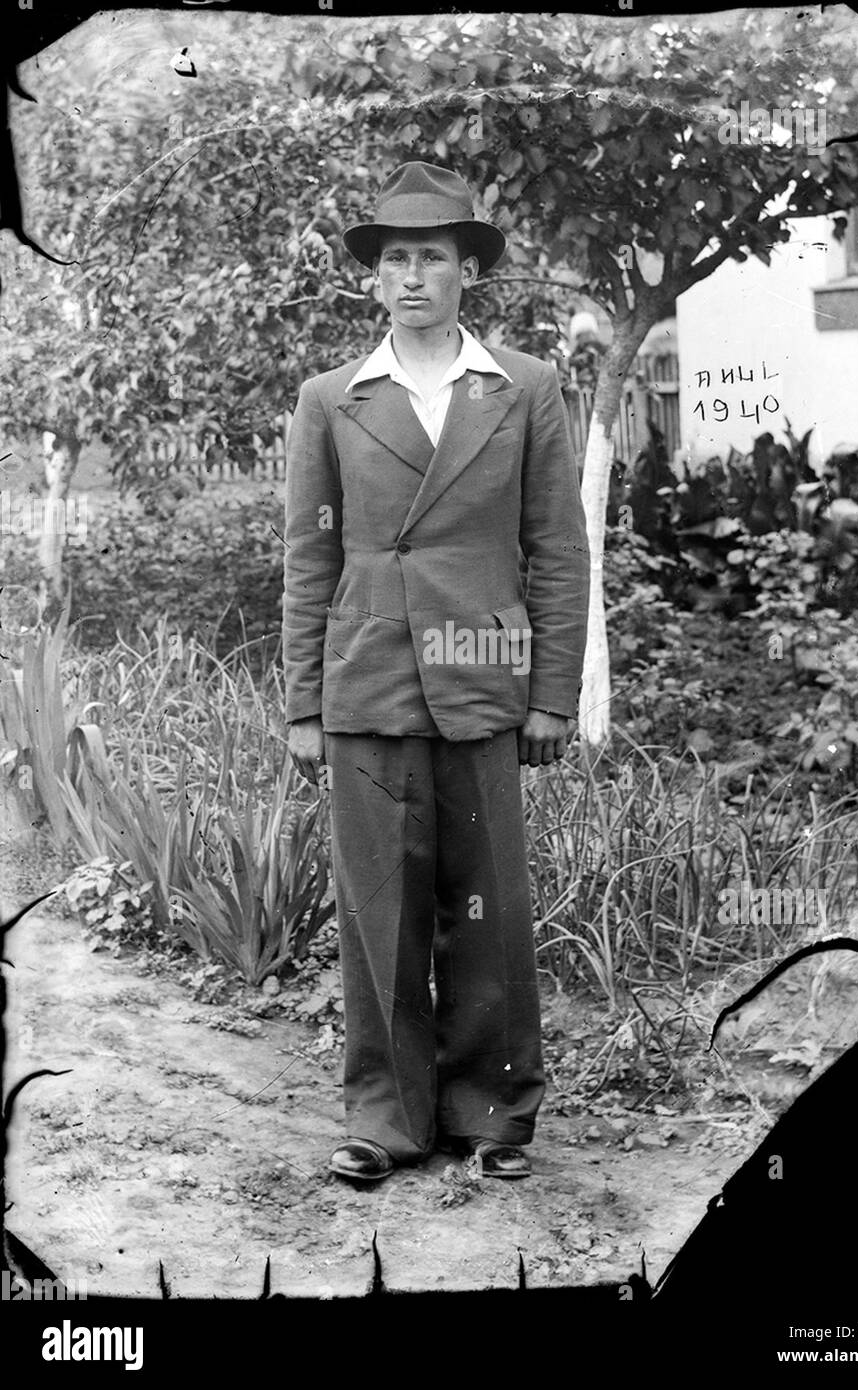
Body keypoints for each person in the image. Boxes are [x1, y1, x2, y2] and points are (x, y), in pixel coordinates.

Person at [282, 161, 589, 1184]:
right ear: (375, 279)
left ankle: (493, 1112)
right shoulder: (331, 399)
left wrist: (552, 692)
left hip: (485, 679)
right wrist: (301, 703)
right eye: (395, 259)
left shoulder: (524, 389)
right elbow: (308, 556)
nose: (412, 276)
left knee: (488, 905)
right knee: (380, 908)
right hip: (367, 680)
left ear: (468, 272)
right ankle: (386, 1117)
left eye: (433, 257)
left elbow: (557, 547)